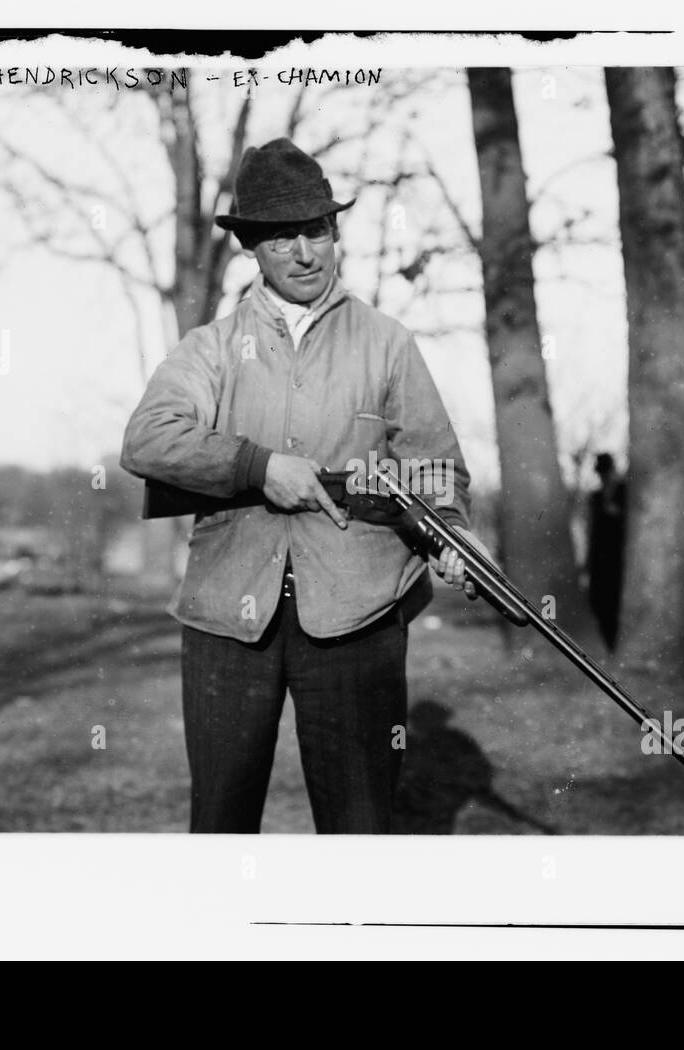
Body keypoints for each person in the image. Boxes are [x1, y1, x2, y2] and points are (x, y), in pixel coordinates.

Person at [120, 137, 493, 834]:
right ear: (252, 248)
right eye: (282, 237)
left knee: (358, 832)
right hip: (227, 619)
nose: (304, 252)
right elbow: (146, 439)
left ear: (335, 231)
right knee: (221, 831)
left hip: (359, 619)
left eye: (316, 230)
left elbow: (438, 467)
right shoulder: (211, 348)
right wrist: (259, 468)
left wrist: (449, 529)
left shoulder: (388, 344)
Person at [586, 452, 627, 652]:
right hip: (599, 560)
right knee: (599, 603)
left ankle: (614, 644)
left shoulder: (624, 492)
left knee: (615, 601)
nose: (603, 477)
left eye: (606, 472)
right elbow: (592, 531)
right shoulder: (595, 497)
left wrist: (616, 515)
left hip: (617, 558)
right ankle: (609, 644)